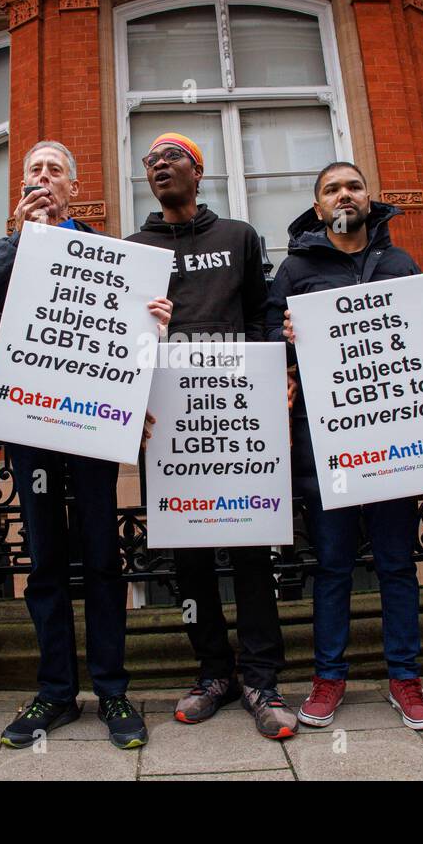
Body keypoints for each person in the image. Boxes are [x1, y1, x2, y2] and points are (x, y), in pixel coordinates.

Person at [0, 140, 171, 750]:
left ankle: (113, 690)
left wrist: (156, 316)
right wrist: (20, 240)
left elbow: (129, 329)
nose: (43, 179)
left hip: (91, 428)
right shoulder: (2, 252)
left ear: (74, 188)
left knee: (101, 555)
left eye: (54, 172)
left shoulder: (105, 254)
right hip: (30, 427)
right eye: (33, 172)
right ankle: (54, 691)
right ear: (19, 189)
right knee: (44, 560)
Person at [124, 133, 297, 739]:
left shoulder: (239, 238)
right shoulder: (134, 249)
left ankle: (261, 678)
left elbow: (260, 317)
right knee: (189, 560)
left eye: (172, 158)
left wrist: (274, 376)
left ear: (199, 172)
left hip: (237, 418)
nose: (160, 166)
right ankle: (212, 673)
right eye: (150, 161)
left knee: (252, 553)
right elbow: (119, 343)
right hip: (168, 425)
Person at [267, 161, 423, 731]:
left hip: (394, 440)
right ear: (318, 208)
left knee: (397, 564)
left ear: (369, 199)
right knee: (334, 566)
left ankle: (405, 678)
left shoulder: (399, 264)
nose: (344, 194)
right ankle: (328, 678)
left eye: (353, 185)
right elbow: (268, 336)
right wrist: (284, 338)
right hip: (327, 442)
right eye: (331, 189)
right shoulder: (294, 269)